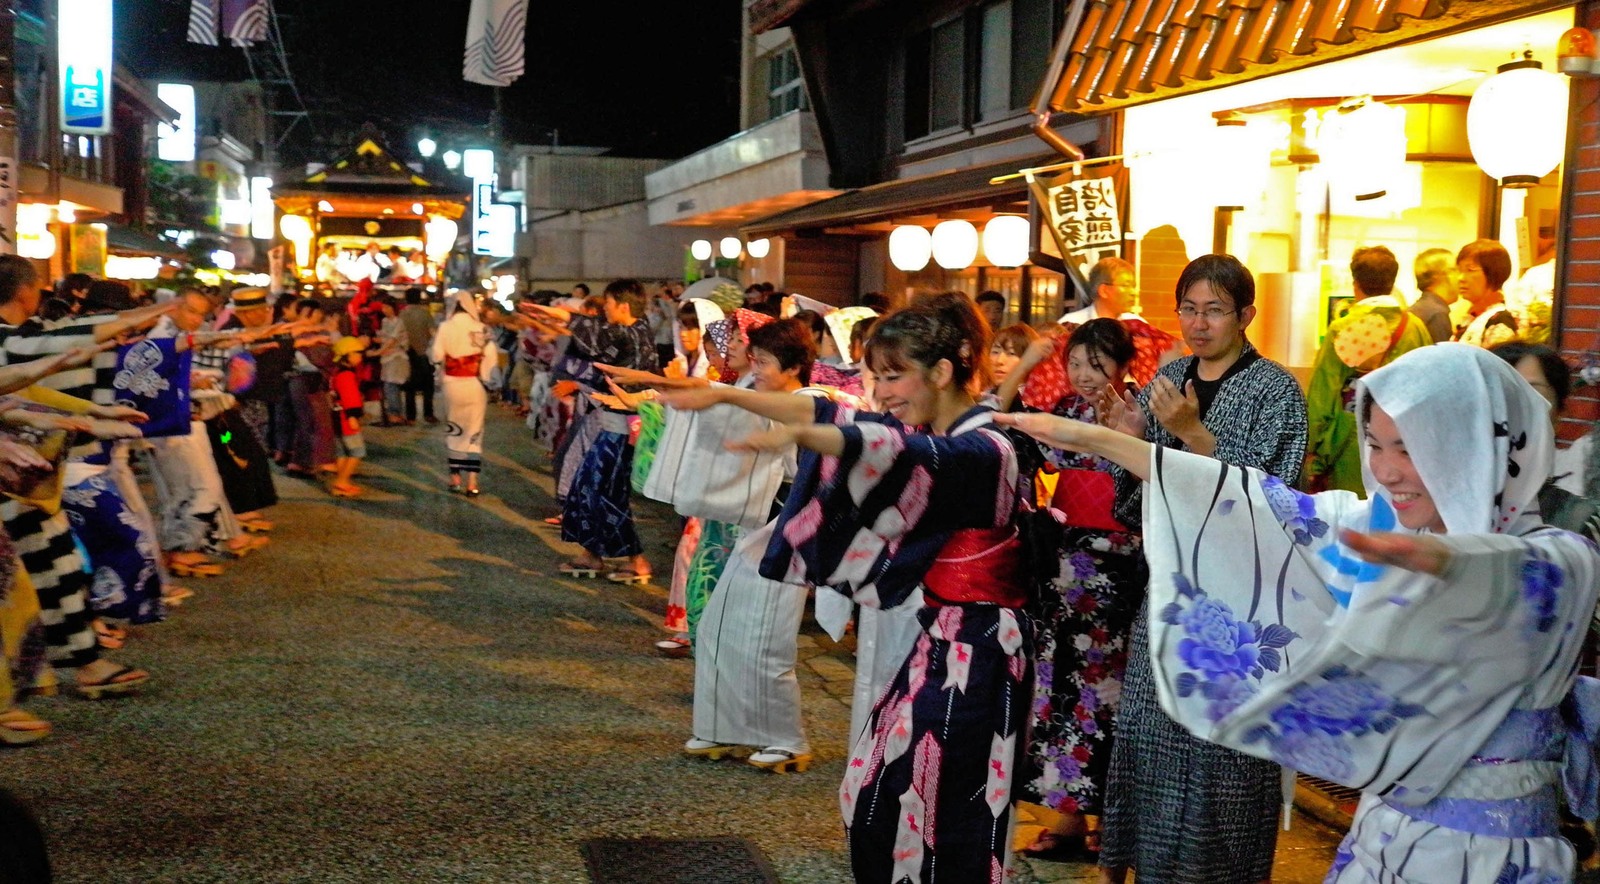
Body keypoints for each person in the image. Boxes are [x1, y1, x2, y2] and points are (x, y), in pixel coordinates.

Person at [998, 342, 1600, 882]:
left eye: (1412, 449)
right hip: (1383, 839)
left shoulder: (1564, 558)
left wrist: (1438, 560)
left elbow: (1506, 573)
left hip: (1492, 856)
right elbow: (1253, 502)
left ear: (1476, 445)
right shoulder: (1374, 526)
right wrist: (1104, 441)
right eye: (1377, 445)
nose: (1387, 471)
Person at [680, 293, 1033, 880]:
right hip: (944, 636)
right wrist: (721, 393)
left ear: (942, 372)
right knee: (877, 788)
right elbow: (837, 419)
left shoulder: (987, 445)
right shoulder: (940, 429)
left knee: (942, 803)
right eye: (876, 377)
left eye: (894, 376)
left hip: (985, 647)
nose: (882, 392)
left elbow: (895, 450)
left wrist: (829, 443)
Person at [1094, 254, 1308, 883]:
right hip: (1168, 592)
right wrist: (1132, 441)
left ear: (1246, 314)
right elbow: (1141, 503)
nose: (1198, 322)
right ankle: (1129, 867)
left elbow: (1276, 500)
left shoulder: (1275, 390)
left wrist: (1192, 433)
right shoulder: (1171, 378)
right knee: (1144, 739)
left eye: (1214, 309)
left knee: (1224, 761)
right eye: (1189, 308)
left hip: (1242, 608)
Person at [1003, 318, 1147, 861]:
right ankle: (1065, 820)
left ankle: (1111, 823)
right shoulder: (1061, 413)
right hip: (1063, 569)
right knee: (1060, 692)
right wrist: (1024, 363)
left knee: (1111, 696)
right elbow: (1004, 434)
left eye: (1097, 362)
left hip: (1119, 572)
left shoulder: (1142, 415)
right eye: (1076, 363)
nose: (1084, 375)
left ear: (1124, 363)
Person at [1304, 246, 1430, 494]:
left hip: (1350, 442)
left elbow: (1322, 397)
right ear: (1392, 282)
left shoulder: (1342, 328)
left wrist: (1312, 451)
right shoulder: (1415, 328)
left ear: (1355, 283)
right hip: (1405, 441)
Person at [430, 292, 497, 495]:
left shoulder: (445, 327)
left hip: (452, 384)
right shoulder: (482, 328)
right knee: (475, 431)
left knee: (454, 429)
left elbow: (436, 355)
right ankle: (472, 483)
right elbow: (491, 359)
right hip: (474, 384)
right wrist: (487, 378)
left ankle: (455, 480)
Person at [1456, 239, 1518, 348]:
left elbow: (1493, 364)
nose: (1460, 278)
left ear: (1493, 273)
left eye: (1470, 270)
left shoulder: (1500, 320)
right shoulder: (1473, 316)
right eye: (1459, 270)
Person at [328, 336, 368, 497]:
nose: (360, 357)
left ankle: (341, 484)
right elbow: (350, 398)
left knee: (342, 452)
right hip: (346, 418)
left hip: (336, 417)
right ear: (348, 355)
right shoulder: (347, 376)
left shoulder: (336, 372)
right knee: (357, 452)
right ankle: (342, 481)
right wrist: (353, 418)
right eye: (357, 353)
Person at [399, 287, 437, 424]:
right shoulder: (425, 314)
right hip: (423, 353)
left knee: (409, 386)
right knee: (428, 385)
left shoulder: (402, 314)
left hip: (407, 353)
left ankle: (411, 417)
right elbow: (433, 333)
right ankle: (428, 414)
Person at [1408, 248, 1457, 345]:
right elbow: (1443, 357)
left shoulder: (1420, 308)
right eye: (1455, 269)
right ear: (1438, 275)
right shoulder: (1437, 314)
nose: (1461, 277)